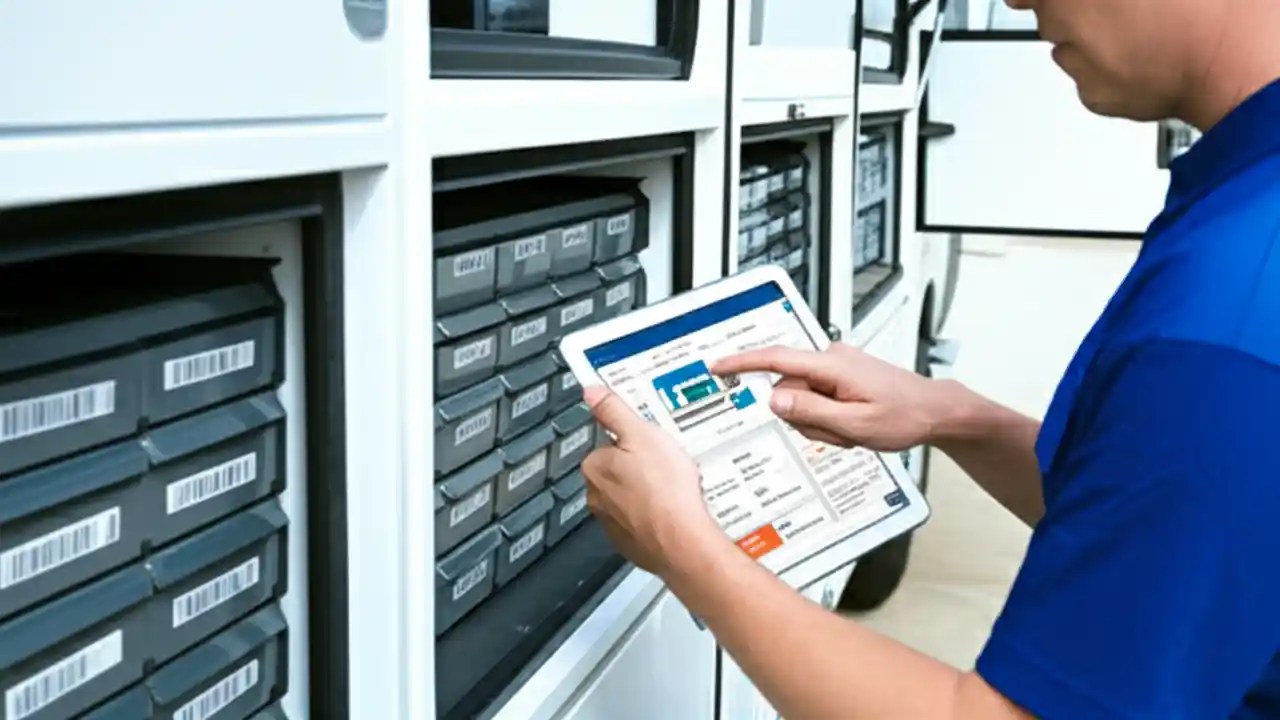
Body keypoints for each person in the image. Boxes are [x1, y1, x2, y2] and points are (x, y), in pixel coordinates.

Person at [579, 0, 1280, 717]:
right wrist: (953, 418)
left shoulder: (1227, 315)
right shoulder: (1247, 209)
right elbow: (1174, 532)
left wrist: (683, 546)